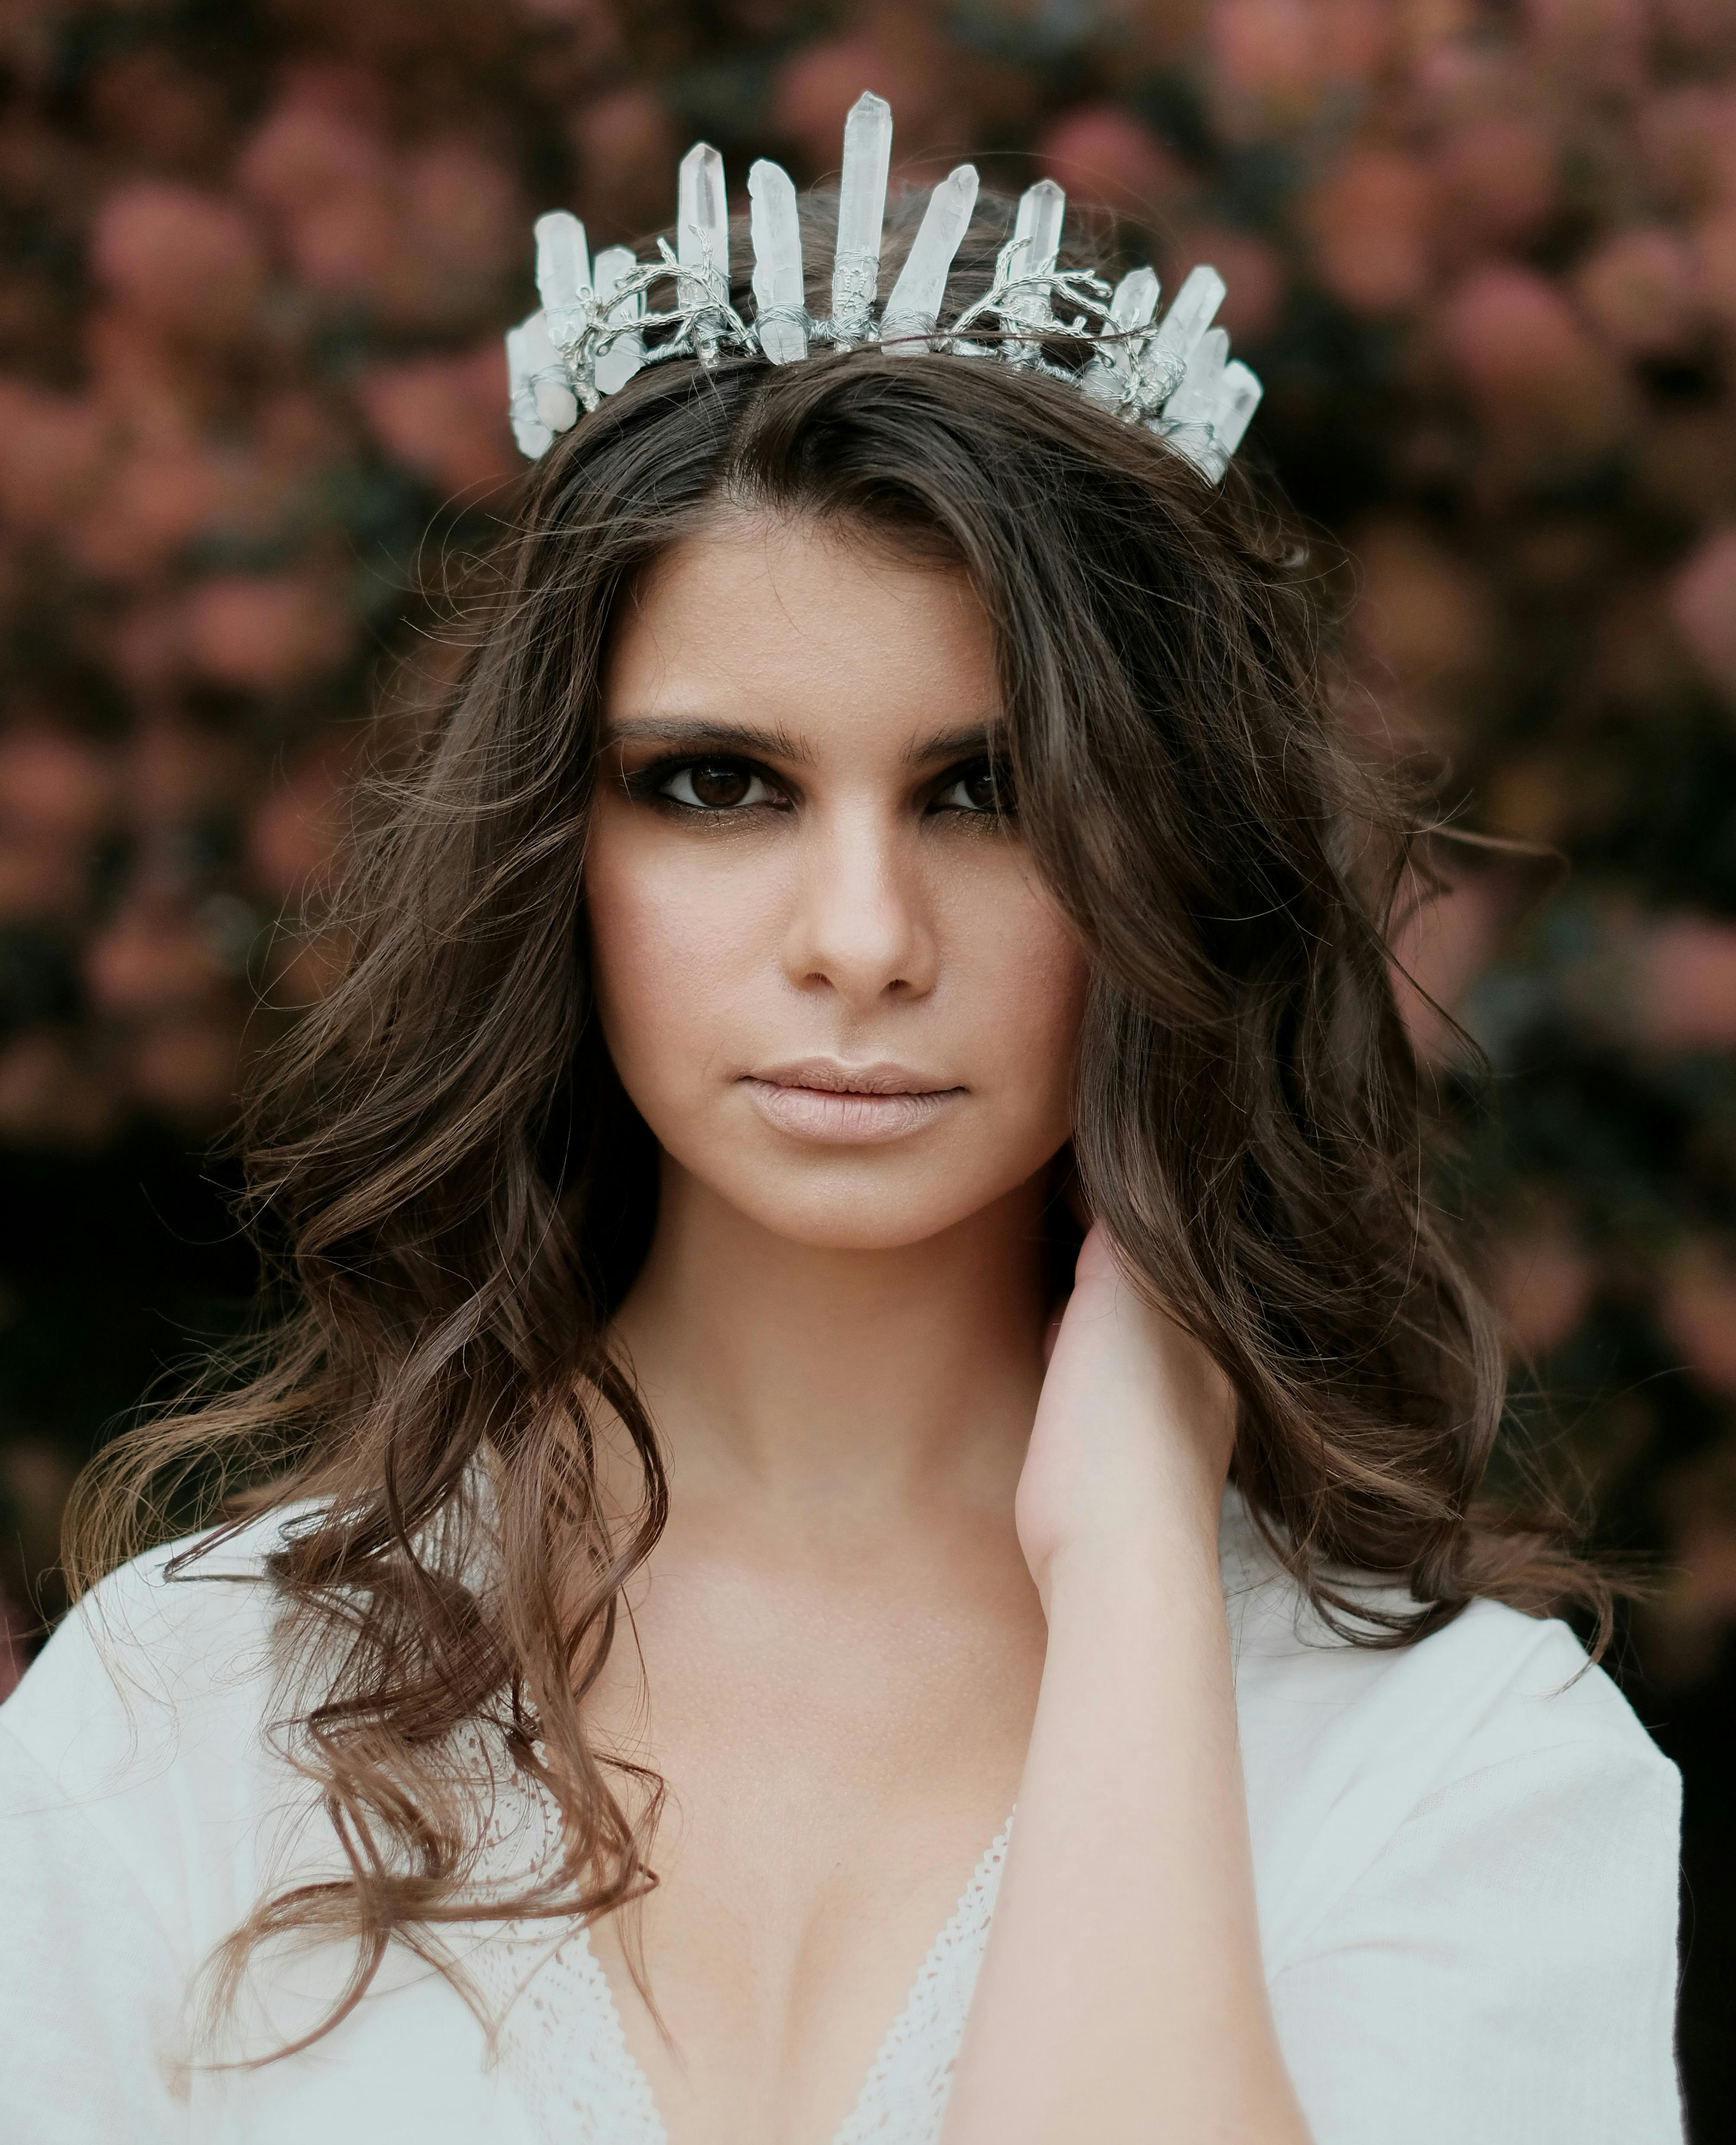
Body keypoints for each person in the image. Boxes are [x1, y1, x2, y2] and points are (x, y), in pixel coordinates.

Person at [0, 104, 1681, 2145]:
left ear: (1163, 867)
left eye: (986, 795)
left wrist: (1140, 1563)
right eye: (719, 786)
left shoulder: (1455, 1765)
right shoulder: (187, 1721)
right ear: (562, 851)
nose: (863, 942)